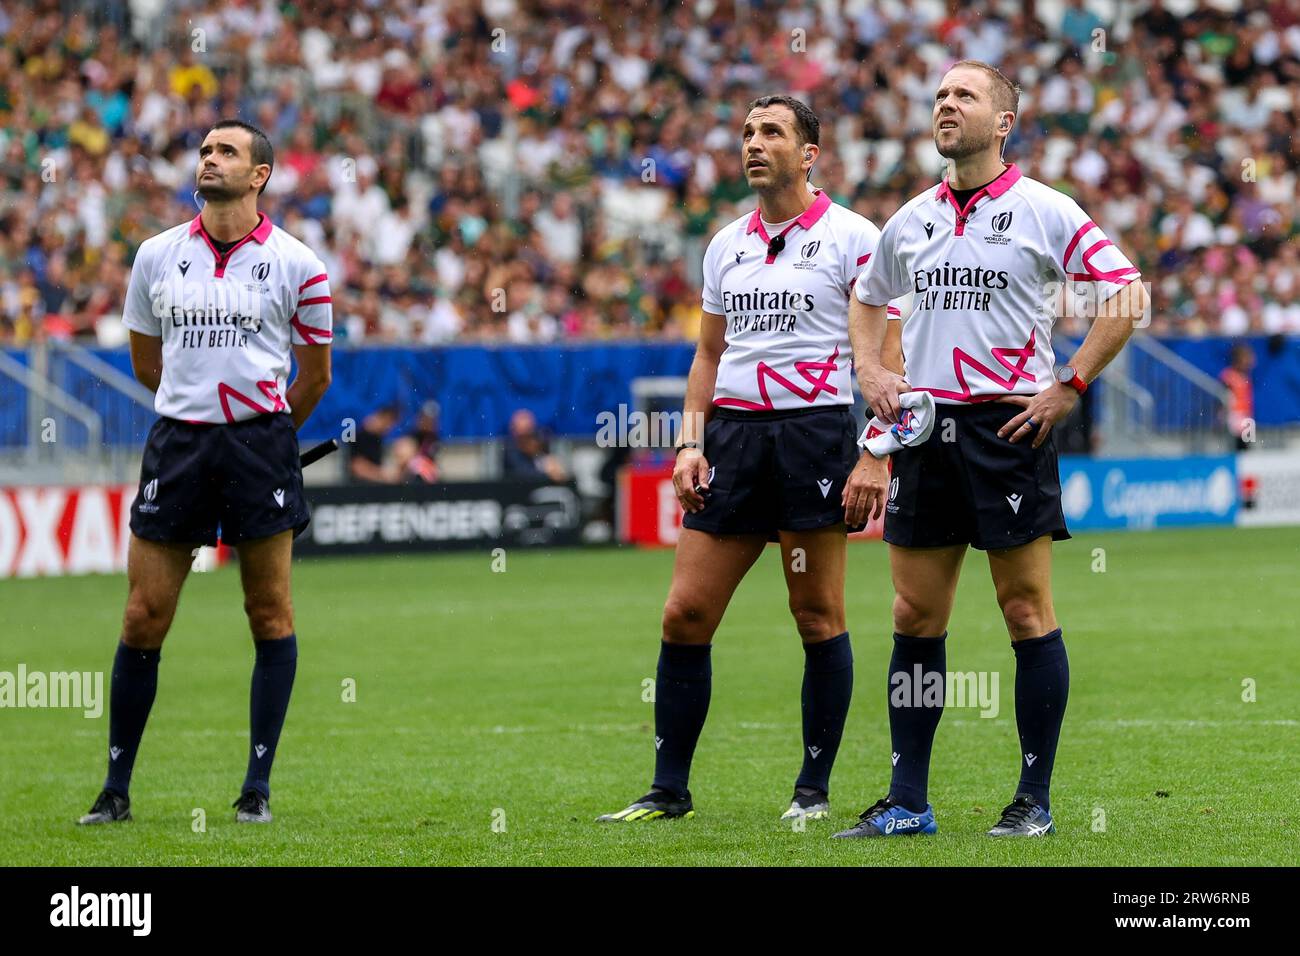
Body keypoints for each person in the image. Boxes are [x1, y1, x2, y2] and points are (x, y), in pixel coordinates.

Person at [842, 60, 1148, 839]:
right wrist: (872, 370)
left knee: (1024, 609)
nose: (945, 104)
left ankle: (1033, 802)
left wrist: (1070, 384)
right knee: (914, 614)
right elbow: (868, 297)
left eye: (964, 96)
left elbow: (1126, 292)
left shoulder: (1047, 209)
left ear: (1003, 120)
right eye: (939, 94)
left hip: (1010, 429)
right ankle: (908, 802)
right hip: (925, 430)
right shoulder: (911, 219)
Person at [597, 95, 901, 825]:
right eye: (747, 133)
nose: (754, 144)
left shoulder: (857, 238)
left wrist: (876, 455)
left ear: (809, 153)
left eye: (772, 133)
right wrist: (689, 442)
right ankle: (668, 789)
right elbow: (708, 353)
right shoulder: (725, 242)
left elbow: (892, 355)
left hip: (815, 436)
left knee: (817, 614)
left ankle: (812, 791)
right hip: (732, 437)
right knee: (685, 613)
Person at [78, 119, 333, 826]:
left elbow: (314, 377)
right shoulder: (155, 256)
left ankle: (257, 788)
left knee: (268, 612)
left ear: (260, 175)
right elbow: (146, 364)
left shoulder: (299, 264)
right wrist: (196, 411)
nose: (209, 159)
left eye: (226, 151)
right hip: (179, 446)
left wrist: (269, 437)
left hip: (260, 448)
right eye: (204, 151)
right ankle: (116, 789)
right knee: (143, 615)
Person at [502, 408, 568, 482]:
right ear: (514, 432)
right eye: (523, 436)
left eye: (529, 434)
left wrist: (554, 467)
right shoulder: (509, 449)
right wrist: (548, 472)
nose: (527, 440)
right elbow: (523, 473)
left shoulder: (539, 444)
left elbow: (558, 471)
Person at [348, 404, 401, 484]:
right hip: (359, 488)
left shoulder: (379, 438)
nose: (390, 428)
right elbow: (356, 467)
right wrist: (383, 476)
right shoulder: (359, 436)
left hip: (375, 486)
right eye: (389, 423)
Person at [1219, 342, 1255, 450]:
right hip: (1234, 416)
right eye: (1245, 357)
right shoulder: (1228, 375)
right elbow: (1224, 396)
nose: (1248, 361)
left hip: (1246, 416)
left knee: (1247, 447)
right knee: (1234, 446)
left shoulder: (1246, 376)